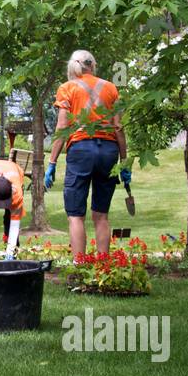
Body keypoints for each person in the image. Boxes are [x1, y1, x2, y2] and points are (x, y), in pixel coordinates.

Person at [43, 50, 128, 255]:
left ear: (73, 66)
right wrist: (123, 163)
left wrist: (52, 163)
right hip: (109, 151)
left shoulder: (67, 88)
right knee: (101, 215)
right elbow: (119, 128)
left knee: (75, 215)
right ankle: (103, 270)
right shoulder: (111, 88)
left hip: (81, 150)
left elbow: (62, 126)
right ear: (93, 65)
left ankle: (80, 267)